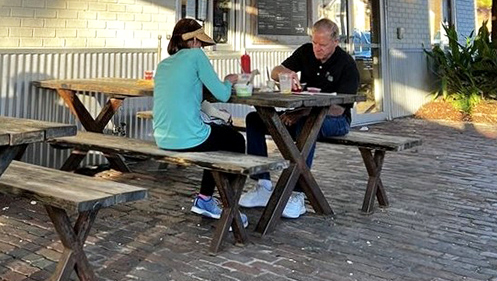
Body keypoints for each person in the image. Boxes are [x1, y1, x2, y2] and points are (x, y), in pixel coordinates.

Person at [240, 18, 359, 219]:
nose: (317, 48)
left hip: (336, 121)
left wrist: (302, 112)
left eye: (322, 44)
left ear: (335, 42)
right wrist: (285, 73)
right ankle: (263, 185)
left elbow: (340, 109)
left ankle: (297, 194)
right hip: (300, 114)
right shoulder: (305, 52)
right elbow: (275, 72)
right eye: (314, 42)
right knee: (254, 120)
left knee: (306, 123)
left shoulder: (347, 64)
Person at [153, 17, 247, 223]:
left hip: (162, 138)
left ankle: (206, 198)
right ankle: (226, 203)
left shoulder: (163, 65)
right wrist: (229, 81)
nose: (202, 48)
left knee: (217, 138)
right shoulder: (196, 56)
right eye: (202, 43)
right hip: (189, 137)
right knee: (237, 141)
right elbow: (222, 94)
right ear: (195, 41)